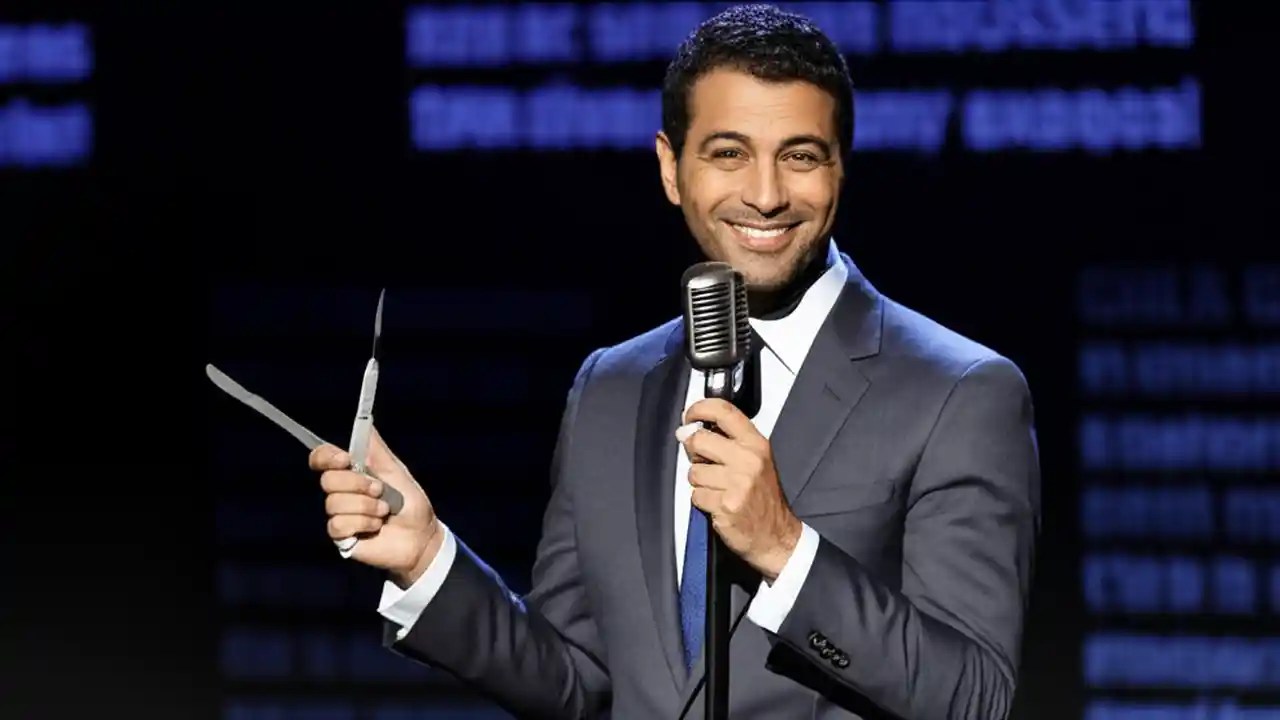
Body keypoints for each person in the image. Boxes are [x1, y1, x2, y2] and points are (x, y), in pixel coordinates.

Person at [310, 4, 1041, 718]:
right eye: (729, 153)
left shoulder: (961, 393)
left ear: (841, 169)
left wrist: (784, 548)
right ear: (671, 167)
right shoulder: (611, 386)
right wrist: (428, 561)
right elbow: (579, 683)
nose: (764, 195)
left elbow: (974, 697)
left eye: (800, 157)